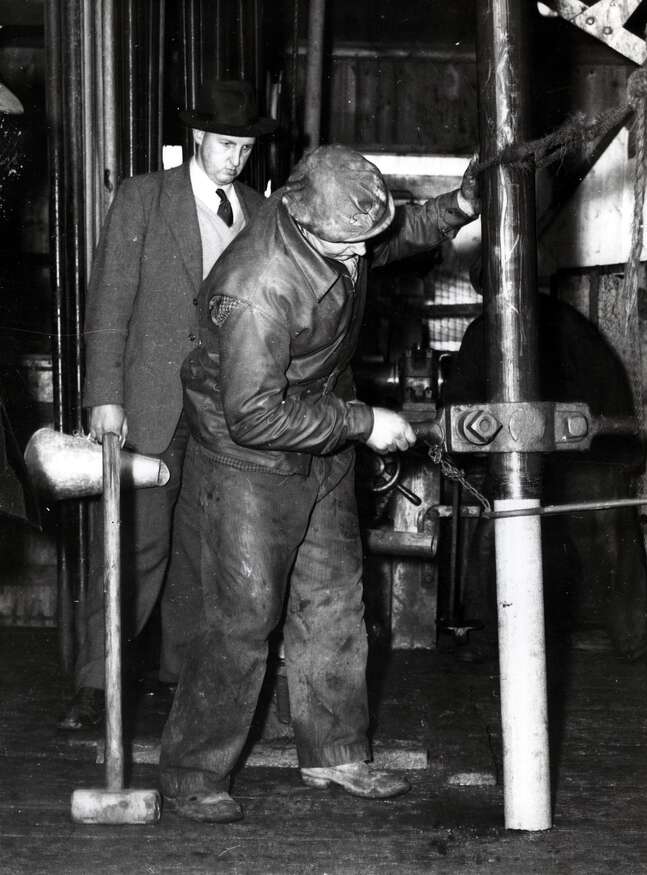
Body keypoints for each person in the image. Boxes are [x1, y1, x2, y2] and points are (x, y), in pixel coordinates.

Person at [158, 144, 481, 823]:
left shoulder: (343, 235)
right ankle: (192, 772)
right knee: (243, 618)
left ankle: (333, 752)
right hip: (247, 453)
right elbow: (253, 414)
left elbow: (391, 238)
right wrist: (365, 422)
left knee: (334, 597)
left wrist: (461, 206)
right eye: (348, 245)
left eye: (363, 240)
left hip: (323, 429)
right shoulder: (257, 285)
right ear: (304, 225)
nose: (362, 258)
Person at [59, 80, 277, 729]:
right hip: (149, 406)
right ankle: (96, 687)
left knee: (201, 553)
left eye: (244, 148)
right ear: (199, 138)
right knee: (137, 547)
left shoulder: (261, 214)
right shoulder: (143, 199)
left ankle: (179, 680)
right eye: (226, 144)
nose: (235, 159)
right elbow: (108, 309)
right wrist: (104, 399)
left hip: (221, 412)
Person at [443, 293, 647, 666]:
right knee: (491, 538)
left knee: (609, 526)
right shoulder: (481, 333)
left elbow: (607, 382)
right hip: (514, 458)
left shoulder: (565, 323)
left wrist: (622, 450)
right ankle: (483, 639)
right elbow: (458, 400)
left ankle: (640, 641)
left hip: (578, 455)